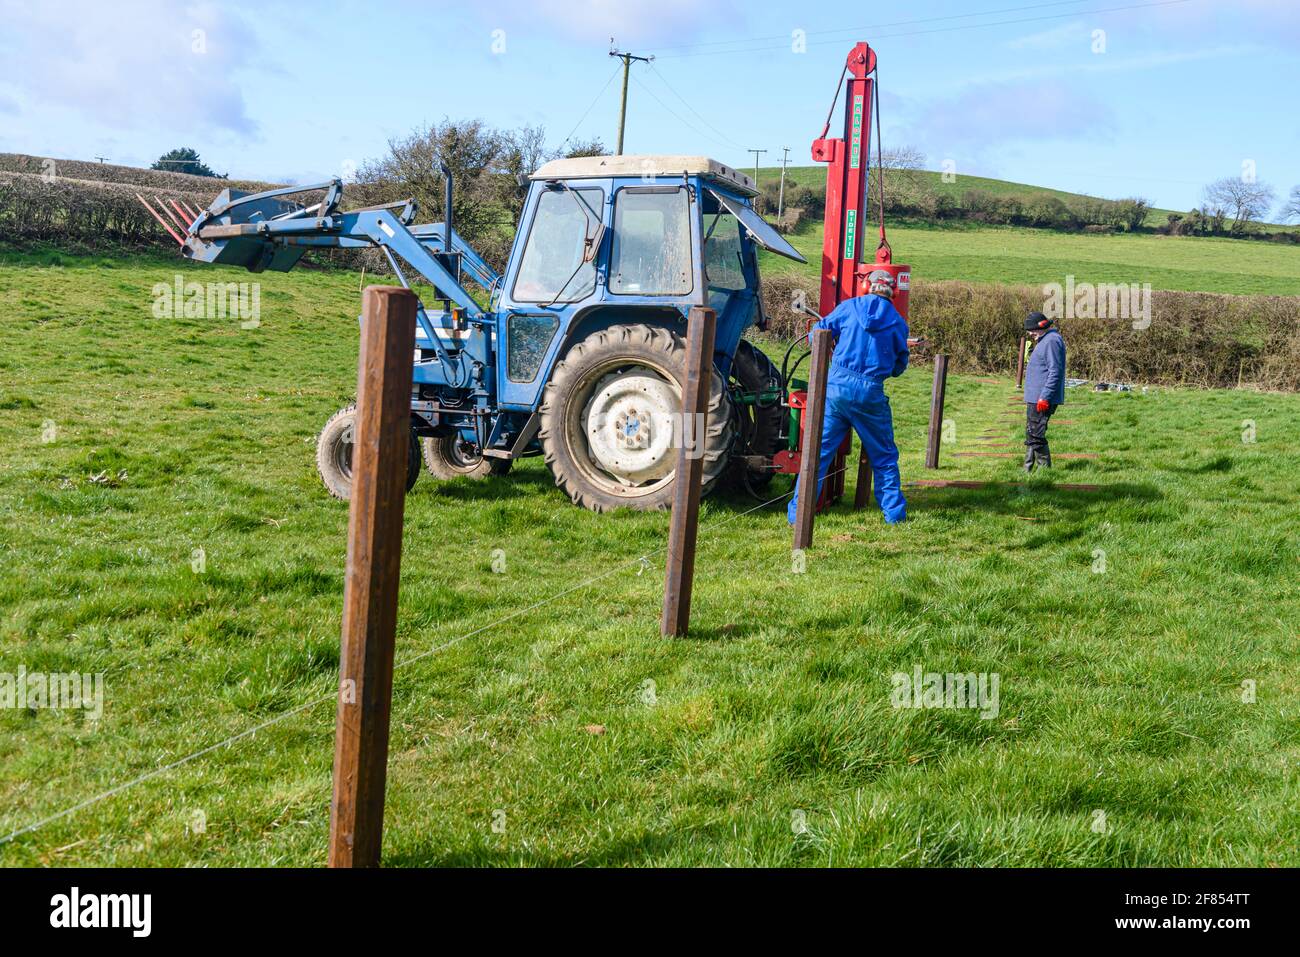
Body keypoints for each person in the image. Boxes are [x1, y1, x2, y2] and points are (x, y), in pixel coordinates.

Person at [787, 270, 910, 525]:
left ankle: (797, 514)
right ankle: (894, 517)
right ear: (893, 293)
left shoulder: (850, 307)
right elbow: (899, 368)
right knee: (884, 457)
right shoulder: (898, 323)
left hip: (836, 390)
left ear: (866, 286)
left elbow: (817, 335)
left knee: (818, 454)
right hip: (870, 395)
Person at [1022, 311, 1066, 471]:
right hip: (1035, 397)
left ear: (1042, 326)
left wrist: (1045, 397)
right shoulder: (1044, 340)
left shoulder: (1052, 341)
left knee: (1036, 435)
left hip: (1042, 399)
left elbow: (1056, 371)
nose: (1029, 333)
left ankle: (1044, 472)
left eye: (1032, 329)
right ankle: (1027, 469)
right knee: (1031, 433)